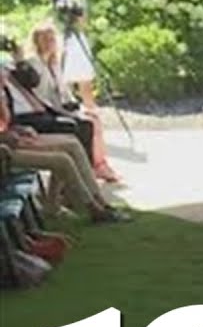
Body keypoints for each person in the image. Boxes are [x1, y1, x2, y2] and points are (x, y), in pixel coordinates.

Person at [1, 64, 130, 224]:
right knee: (62, 159)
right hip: (6, 151)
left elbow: (9, 123)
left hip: (14, 141)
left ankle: (96, 200)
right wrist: (9, 137)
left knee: (72, 143)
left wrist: (20, 129)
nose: (4, 75)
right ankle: (92, 208)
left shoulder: (4, 92)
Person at [26, 22, 120, 182]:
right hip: (46, 110)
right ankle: (89, 169)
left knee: (93, 118)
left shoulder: (54, 63)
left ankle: (99, 165)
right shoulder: (34, 64)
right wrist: (68, 111)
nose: (50, 42)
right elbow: (42, 95)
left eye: (52, 39)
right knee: (85, 124)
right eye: (45, 39)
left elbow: (64, 92)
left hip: (60, 106)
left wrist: (77, 107)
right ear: (37, 42)